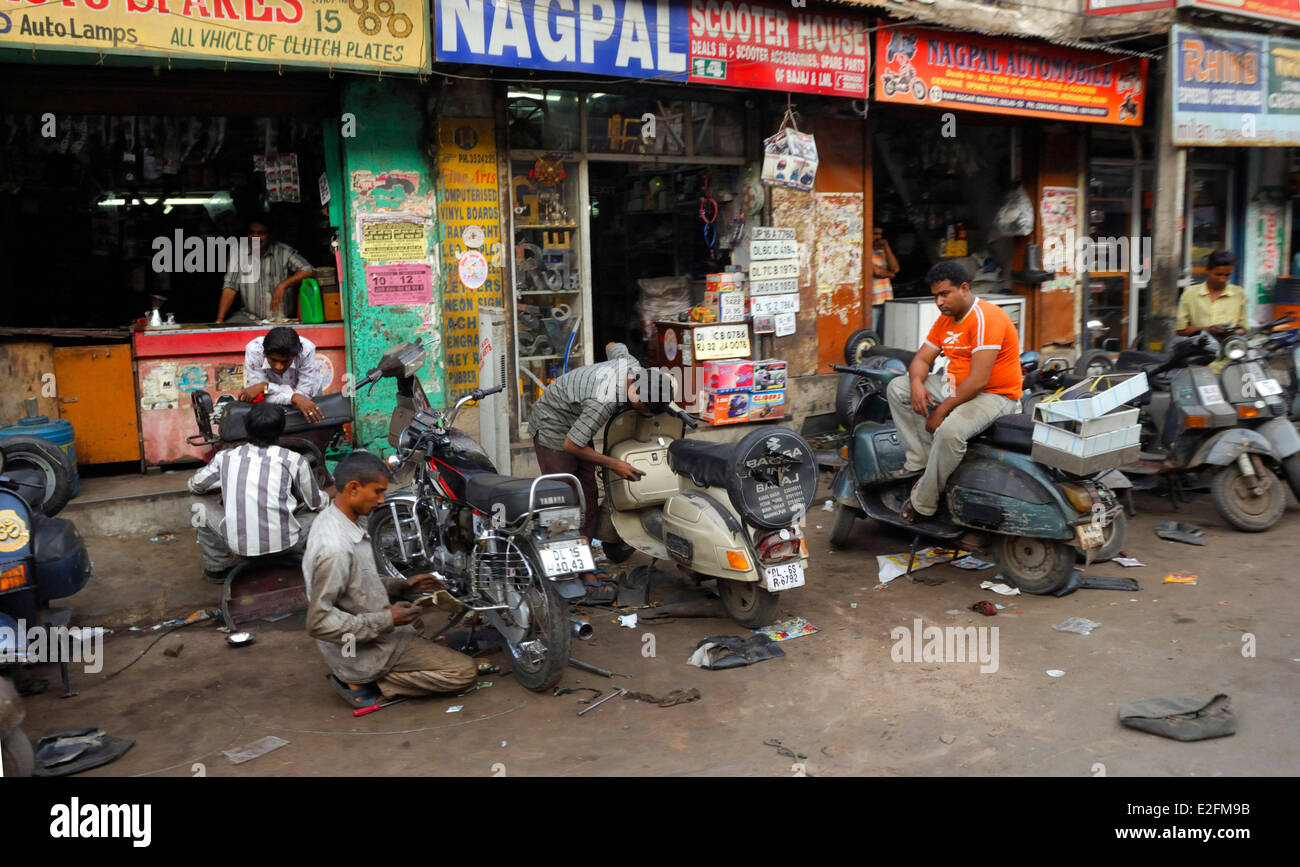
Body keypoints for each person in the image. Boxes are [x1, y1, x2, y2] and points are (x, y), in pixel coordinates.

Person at [303, 451, 476, 702]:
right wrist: (386, 619)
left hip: (366, 633)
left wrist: (403, 585)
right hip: (359, 650)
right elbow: (319, 622)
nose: (382, 500)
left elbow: (355, 583)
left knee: (414, 618)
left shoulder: (340, 519)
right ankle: (372, 682)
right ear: (353, 488)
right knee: (463, 672)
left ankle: (373, 668)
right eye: (377, 492)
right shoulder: (335, 549)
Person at [885, 261, 1023, 522]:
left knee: (949, 433)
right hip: (955, 386)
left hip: (995, 395)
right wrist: (916, 383)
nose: (939, 302)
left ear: (963, 288)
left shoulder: (986, 317)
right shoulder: (945, 320)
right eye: (935, 296)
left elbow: (979, 380)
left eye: (944, 294)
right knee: (898, 387)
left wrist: (943, 411)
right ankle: (921, 461)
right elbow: (922, 359)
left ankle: (924, 502)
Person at [528, 342, 674, 541]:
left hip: (578, 420)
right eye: (644, 409)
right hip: (552, 423)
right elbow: (570, 445)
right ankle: (565, 560)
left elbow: (612, 345)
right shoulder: (604, 400)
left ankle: (586, 557)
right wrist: (614, 464)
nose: (643, 412)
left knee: (588, 491)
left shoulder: (632, 366)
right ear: (636, 395)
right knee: (563, 497)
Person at [188, 402, 328, 583]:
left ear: (246, 427)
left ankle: (218, 567)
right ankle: (313, 563)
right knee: (322, 511)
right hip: (287, 545)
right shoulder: (294, 460)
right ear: (281, 430)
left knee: (195, 502)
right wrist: (326, 500)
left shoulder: (225, 458)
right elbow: (316, 503)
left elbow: (195, 486)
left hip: (240, 547)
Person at [216, 219, 313, 323]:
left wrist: (283, 285)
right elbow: (230, 287)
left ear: (271, 235)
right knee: (227, 330)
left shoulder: (284, 252)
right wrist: (219, 320)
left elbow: (308, 270)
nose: (255, 237)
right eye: (252, 233)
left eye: (261, 233)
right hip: (249, 317)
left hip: (280, 318)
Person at [239, 325, 330, 423]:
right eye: (273, 360)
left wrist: (265, 387)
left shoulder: (306, 350)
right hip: (274, 408)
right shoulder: (255, 351)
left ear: (295, 356)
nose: (279, 367)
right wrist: (294, 397)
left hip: (308, 402)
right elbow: (260, 395)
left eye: (286, 361)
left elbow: (305, 396)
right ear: (265, 353)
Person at [1176, 249, 1247, 338]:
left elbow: (1243, 328)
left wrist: (1232, 332)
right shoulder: (1190, 294)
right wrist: (1208, 330)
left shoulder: (1239, 294)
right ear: (1208, 270)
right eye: (1218, 274)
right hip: (1199, 348)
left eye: (1227, 275)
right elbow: (1181, 330)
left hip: (1230, 348)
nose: (1222, 279)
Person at [871, 226, 900, 333]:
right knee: (872, 334)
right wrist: (890, 274)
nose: (878, 237)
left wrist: (887, 248)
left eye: (880, 235)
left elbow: (895, 269)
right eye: (875, 234)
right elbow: (877, 272)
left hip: (886, 300)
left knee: (885, 334)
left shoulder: (881, 252)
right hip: (873, 302)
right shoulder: (864, 252)